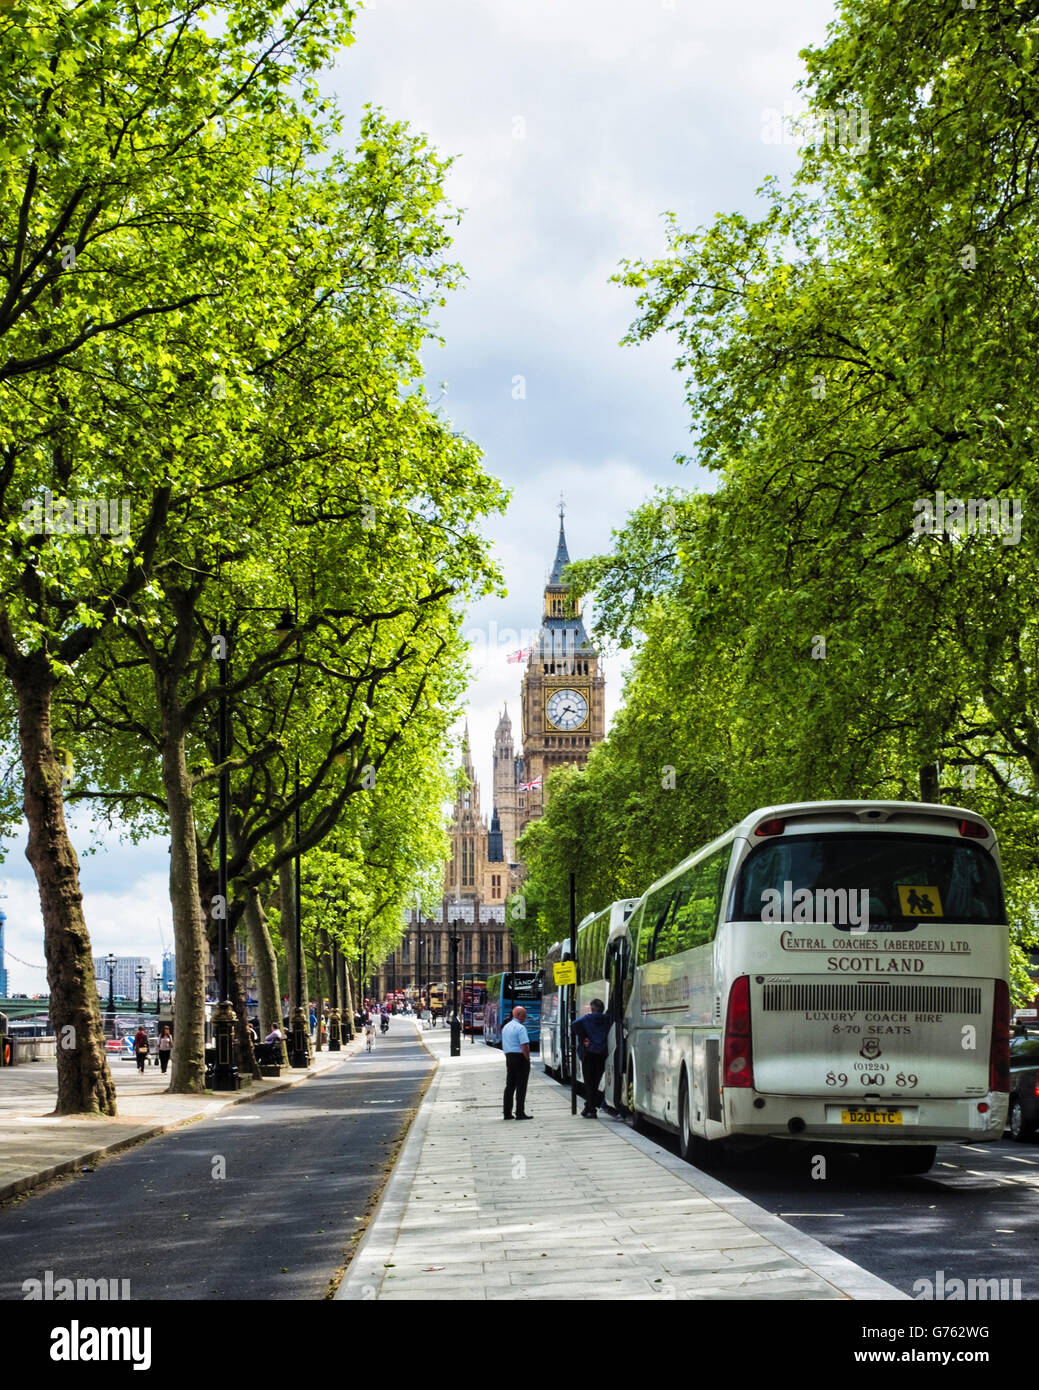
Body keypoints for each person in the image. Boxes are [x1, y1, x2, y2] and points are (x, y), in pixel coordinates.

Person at [572, 999, 611, 1117]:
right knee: (596, 1081)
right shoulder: (607, 1019)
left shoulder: (587, 1018)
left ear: (592, 1008)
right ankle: (587, 1107)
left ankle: (591, 1110)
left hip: (589, 1053)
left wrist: (584, 1037)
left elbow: (574, 1024)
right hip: (602, 1053)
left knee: (589, 1082)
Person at [502, 1005, 532, 1120]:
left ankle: (507, 1113)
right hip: (520, 1058)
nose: (526, 1017)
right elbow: (524, 1046)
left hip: (509, 1057)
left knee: (510, 1086)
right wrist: (527, 1059)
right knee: (521, 1086)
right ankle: (520, 1112)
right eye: (524, 1014)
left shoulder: (506, 1027)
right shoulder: (520, 1028)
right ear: (519, 1015)